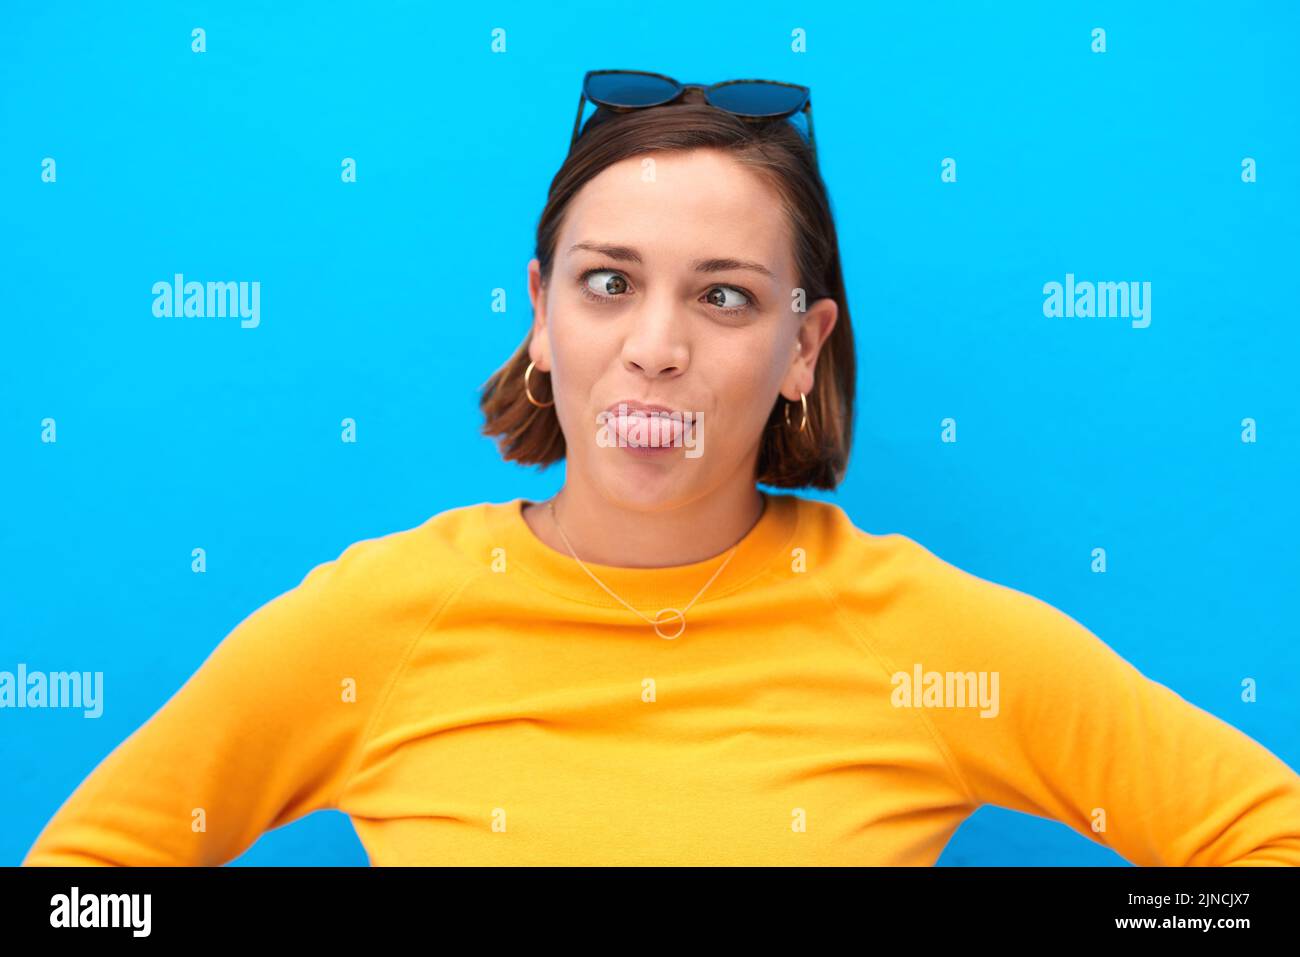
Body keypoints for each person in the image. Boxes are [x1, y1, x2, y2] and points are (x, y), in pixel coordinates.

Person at [22, 72, 1300, 867]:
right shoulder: (381, 619)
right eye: (607, 284)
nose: (655, 350)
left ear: (802, 348)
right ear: (540, 313)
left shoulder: (916, 633)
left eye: (726, 298)